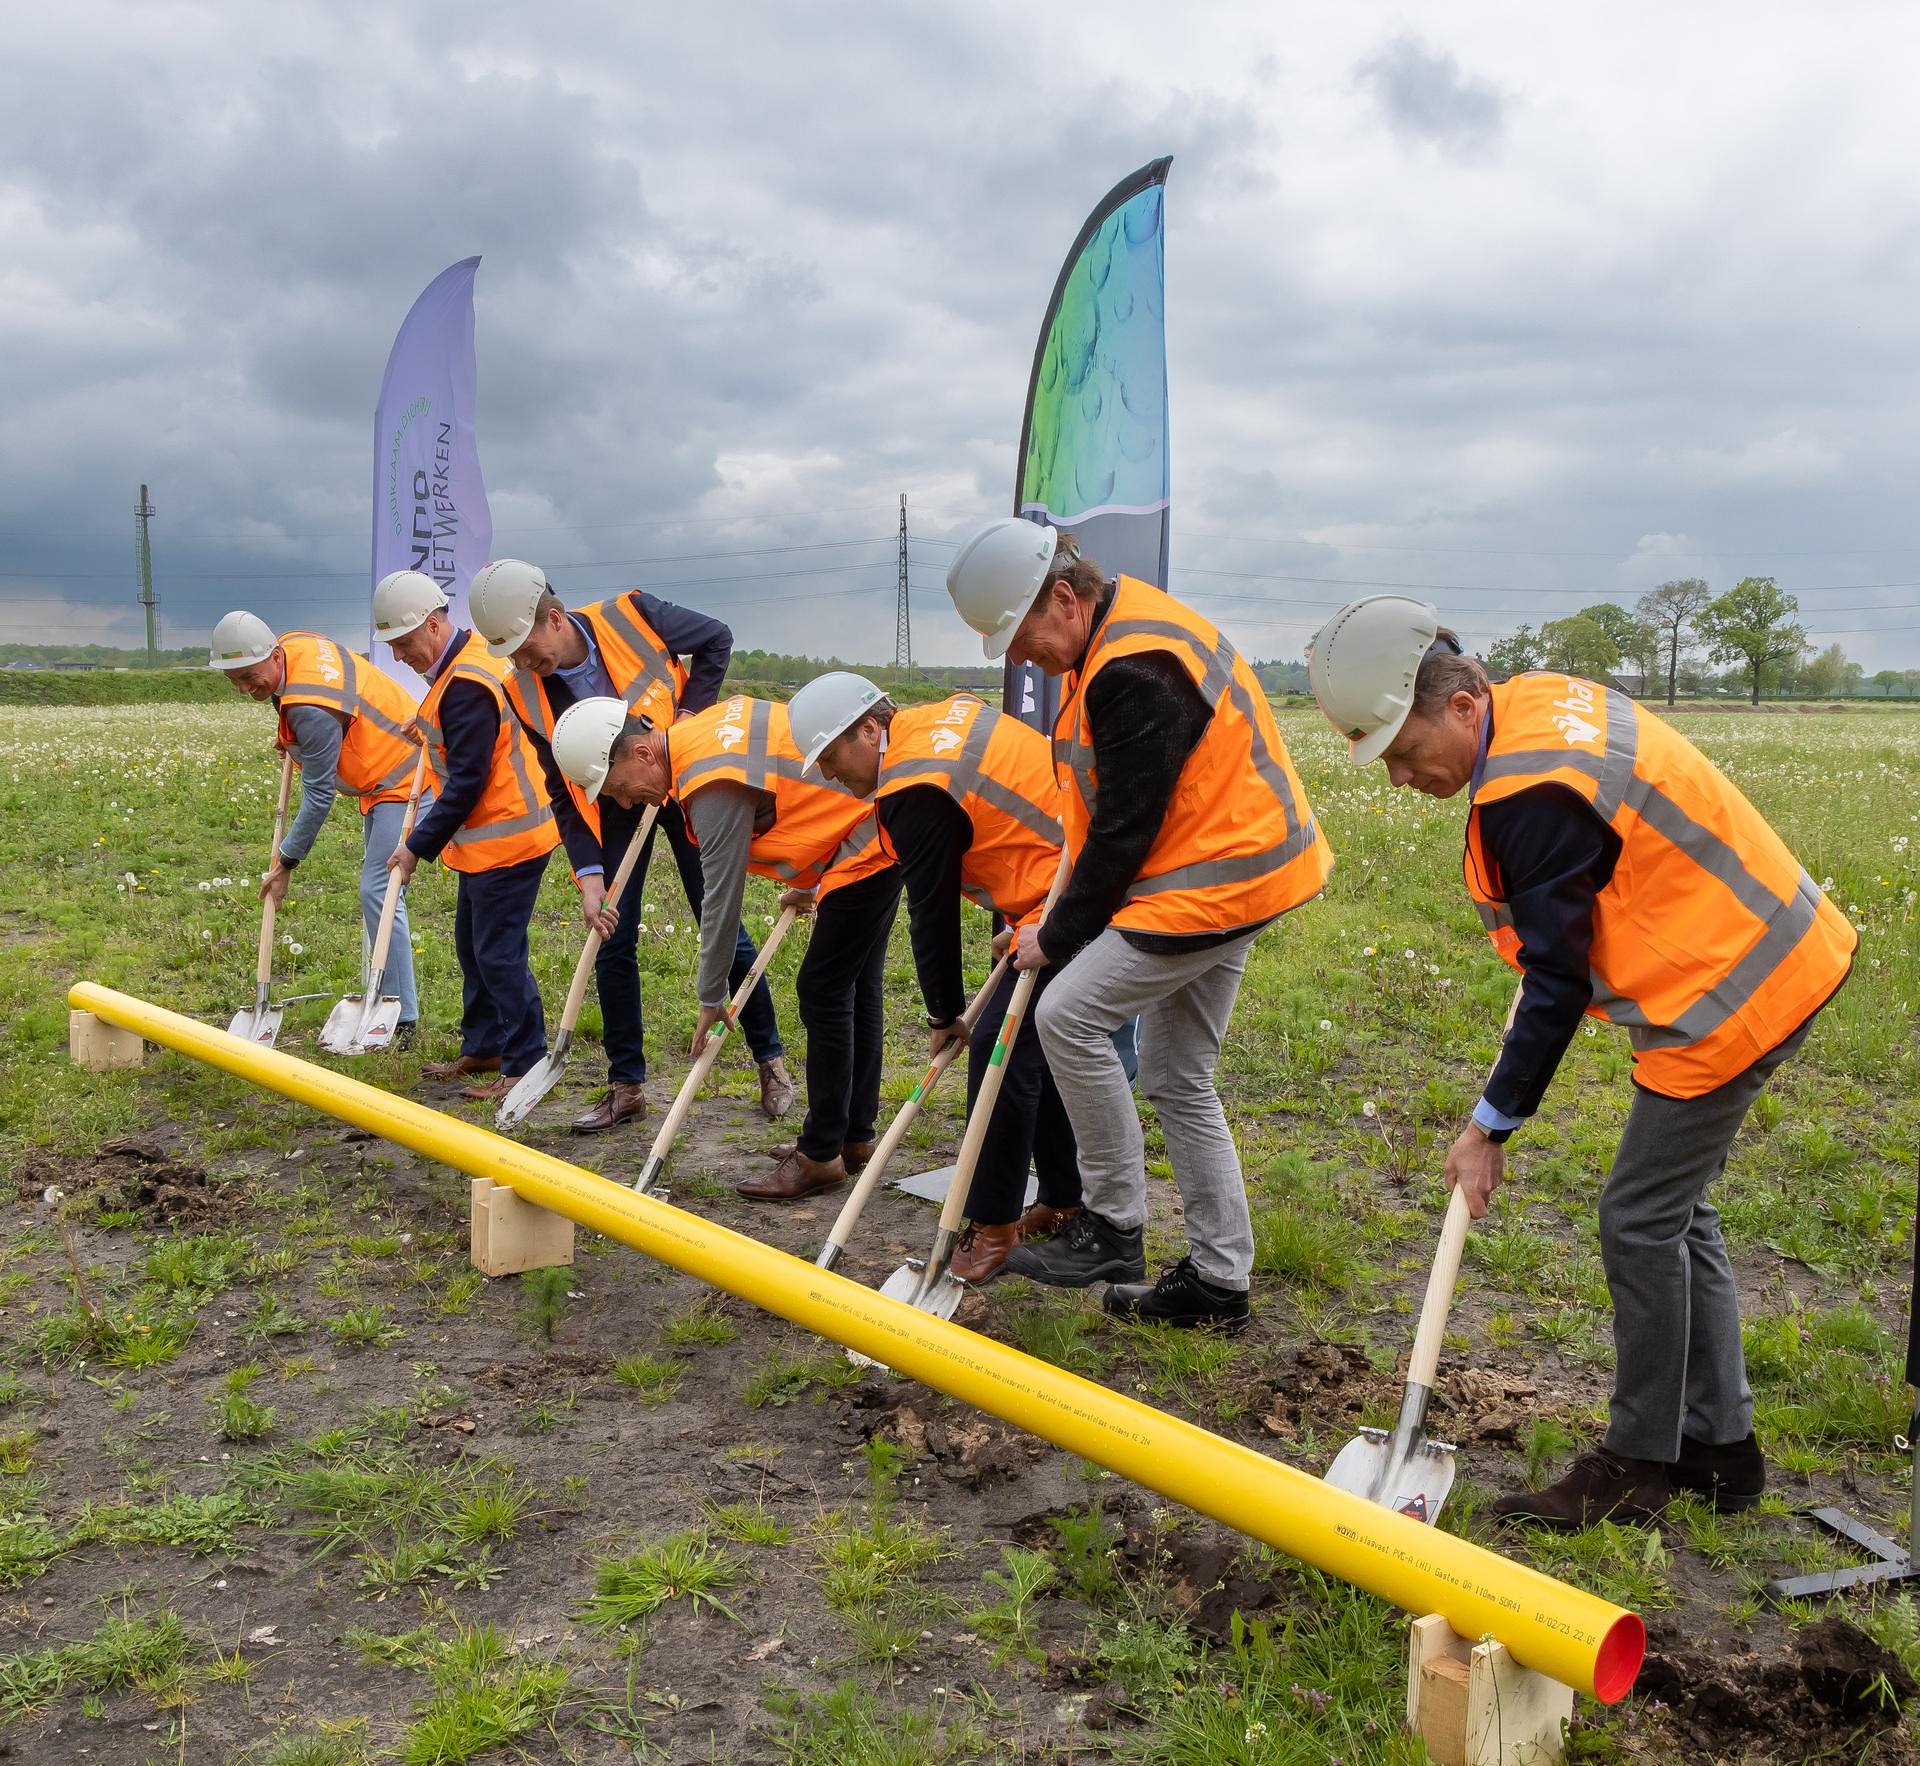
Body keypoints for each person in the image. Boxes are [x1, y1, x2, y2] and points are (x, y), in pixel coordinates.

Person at [1309, 594, 1856, 1526]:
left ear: (1463, 705)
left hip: (1733, 990)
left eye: (1405, 751)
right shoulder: (1536, 706)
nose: (1403, 778)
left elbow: (1557, 986)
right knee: (1678, 1213)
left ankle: (1639, 1463)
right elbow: (1572, 913)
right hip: (1773, 949)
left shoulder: (1532, 789)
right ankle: (1721, 1448)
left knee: (1639, 1218)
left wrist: (1490, 1127)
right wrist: (1543, 954)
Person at [944, 519, 1334, 1329]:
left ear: (1063, 596)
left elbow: (1126, 832)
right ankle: (1220, 1286)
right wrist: (1051, 909)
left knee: (1067, 1012)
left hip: (1216, 880)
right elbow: (1099, 816)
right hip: (1244, 870)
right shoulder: (1123, 634)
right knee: (1178, 1076)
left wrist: (1054, 939)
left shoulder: (1136, 667)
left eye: (1019, 636)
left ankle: (1114, 1225)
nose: (1021, 657)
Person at [466, 560, 793, 1132]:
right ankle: (626, 1084)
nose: (523, 663)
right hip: (614, 800)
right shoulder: (522, 694)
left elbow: (716, 638)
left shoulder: (631, 616)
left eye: (526, 646)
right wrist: (589, 874)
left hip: (684, 773)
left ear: (557, 619)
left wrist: (689, 720)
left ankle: (769, 1058)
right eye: (511, 654)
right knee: (612, 939)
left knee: (718, 916)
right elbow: (559, 789)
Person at [787, 672, 1080, 1282]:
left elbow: (932, 912)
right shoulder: (934, 725)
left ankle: (992, 1224)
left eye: (833, 754)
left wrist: (945, 1015)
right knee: (1037, 1045)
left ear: (870, 728)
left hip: (1074, 889)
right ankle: (1062, 1198)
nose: (827, 774)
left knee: (1000, 1052)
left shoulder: (913, 788)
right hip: (1055, 882)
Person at [549, 693, 899, 1201]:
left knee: (823, 989)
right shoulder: (703, 734)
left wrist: (711, 996)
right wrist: (821, 879)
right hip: (872, 826)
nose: (625, 803)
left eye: (621, 788)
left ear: (642, 753)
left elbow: (721, 899)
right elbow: (806, 789)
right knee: (854, 986)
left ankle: (821, 1155)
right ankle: (853, 1138)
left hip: (873, 836)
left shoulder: (711, 781)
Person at [371, 571, 559, 1102]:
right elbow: (460, 738)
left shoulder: (466, 684)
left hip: (508, 838)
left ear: (433, 626)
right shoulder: (463, 662)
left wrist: (414, 846)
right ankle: (485, 1046)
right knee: (473, 949)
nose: (399, 655)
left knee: (499, 954)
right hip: (487, 841)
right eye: (393, 646)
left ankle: (526, 1062)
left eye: (404, 643)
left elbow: (469, 782)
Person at [208, 609, 424, 1045]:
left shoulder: (310, 707)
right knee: (380, 892)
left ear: (272, 655)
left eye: (251, 676)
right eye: (236, 681)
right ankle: (393, 1003)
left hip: (407, 777)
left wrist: (286, 862)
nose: (248, 688)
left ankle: (401, 1019)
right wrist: (292, 737)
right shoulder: (294, 645)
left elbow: (319, 795)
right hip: (385, 767)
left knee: (378, 890)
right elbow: (305, 706)